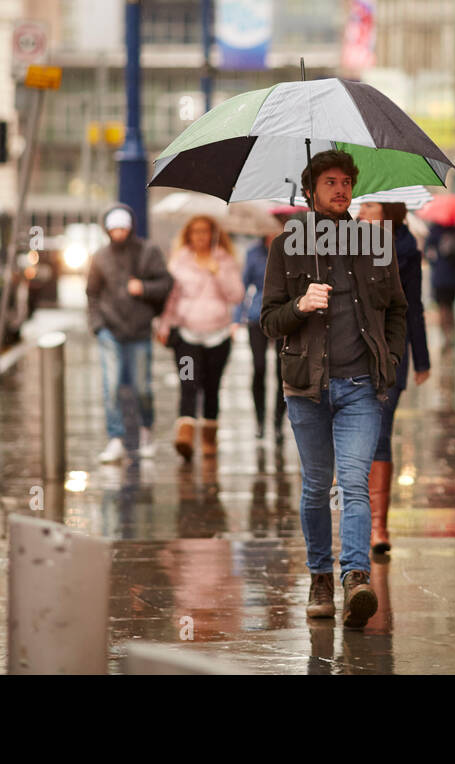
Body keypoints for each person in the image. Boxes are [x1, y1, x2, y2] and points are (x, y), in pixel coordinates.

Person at [260, 150, 407, 629]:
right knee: (316, 487)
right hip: (306, 388)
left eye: (346, 182)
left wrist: (393, 357)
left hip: (361, 386)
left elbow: (398, 309)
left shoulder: (374, 241)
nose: (340, 189)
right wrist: (301, 305)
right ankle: (320, 576)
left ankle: (356, 577)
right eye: (329, 182)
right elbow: (267, 321)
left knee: (355, 483)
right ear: (310, 191)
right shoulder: (287, 246)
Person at [358, 200, 430, 555]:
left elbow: (413, 305)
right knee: (357, 433)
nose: (363, 210)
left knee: (381, 429)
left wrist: (423, 358)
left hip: (392, 351)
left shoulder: (406, 250)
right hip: (352, 351)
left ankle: (378, 526)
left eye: (370, 205)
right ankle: (359, 520)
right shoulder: (341, 239)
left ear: (387, 211)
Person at [87, 203, 174, 464]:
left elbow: (166, 283)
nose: (119, 233)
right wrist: (97, 326)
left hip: (138, 330)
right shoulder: (100, 257)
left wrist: (144, 288)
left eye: (123, 228)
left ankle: (146, 431)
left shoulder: (148, 252)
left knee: (141, 387)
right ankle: (116, 437)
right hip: (110, 331)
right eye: (114, 228)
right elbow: (91, 293)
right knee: (111, 386)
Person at [155, 215, 245, 462]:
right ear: (188, 235)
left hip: (218, 337)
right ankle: (184, 434)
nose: (200, 236)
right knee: (188, 383)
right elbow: (170, 298)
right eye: (195, 231)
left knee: (211, 387)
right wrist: (164, 325)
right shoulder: (179, 262)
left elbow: (237, 295)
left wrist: (219, 273)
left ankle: (208, 438)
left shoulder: (224, 260)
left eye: (205, 231)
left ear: (213, 233)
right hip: (186, 336)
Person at [237, 215, 288, 444]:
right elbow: (243, 285)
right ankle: (259, 420)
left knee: (282, 372)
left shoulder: (291, 250)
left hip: (283, 317)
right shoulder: (253, 253)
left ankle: (278, 423)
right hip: (257, 316)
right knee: (259, 368)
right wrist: (236, 317)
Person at [423, 221, 455, 345]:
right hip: (453, 276)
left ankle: (447, 334)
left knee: (444, 306)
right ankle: (450, 333)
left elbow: (428, 252)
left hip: (442, 276)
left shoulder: (435, 230)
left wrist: (435, 261)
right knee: (449, 306)